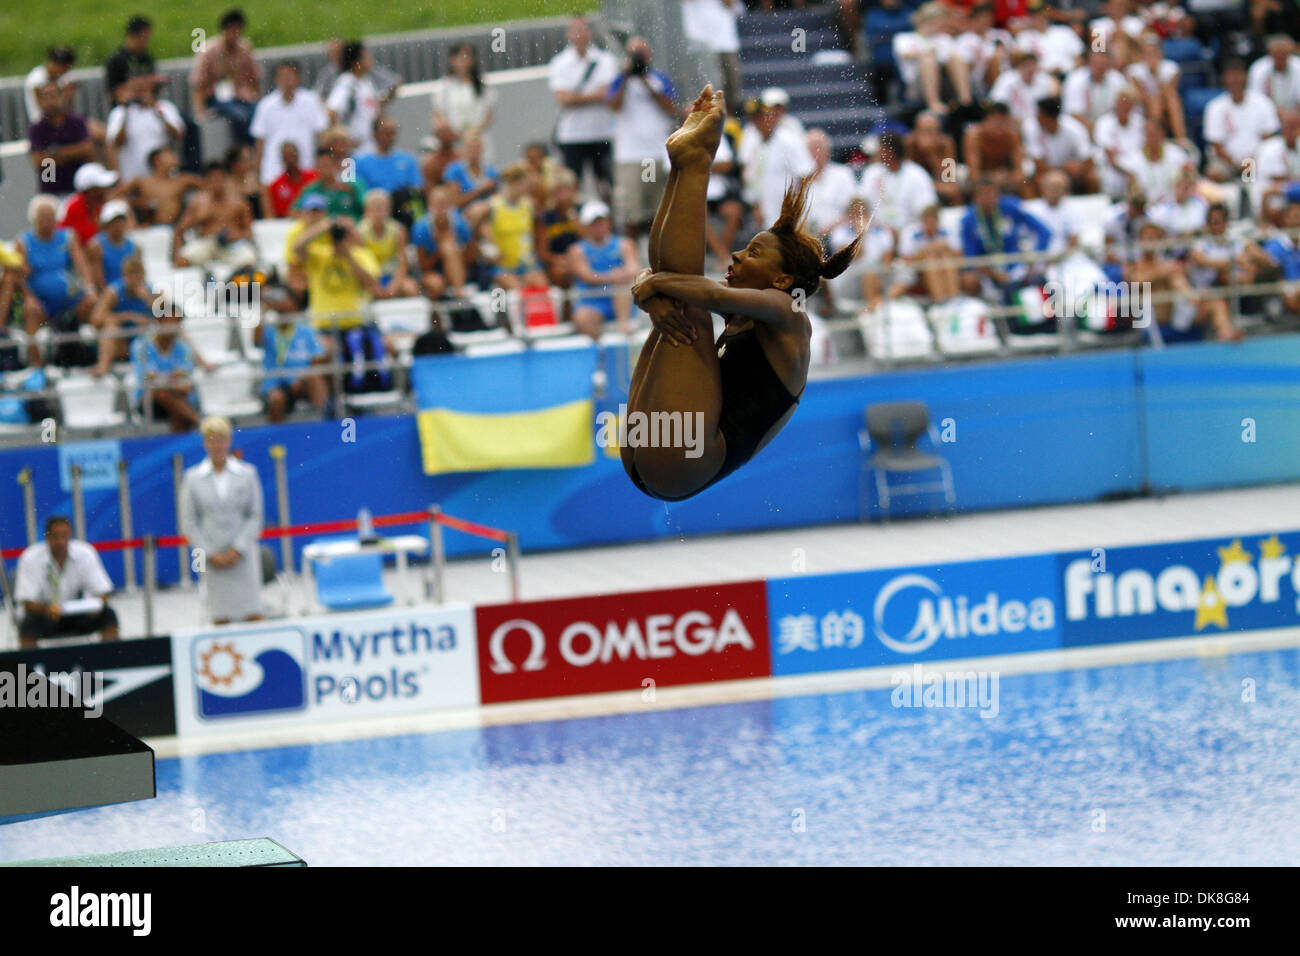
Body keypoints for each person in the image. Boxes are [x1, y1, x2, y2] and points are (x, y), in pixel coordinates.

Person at [625, 87, 861, 501]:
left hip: (684, 458)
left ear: (783, 280)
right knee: (678, 301)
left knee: (686, 303)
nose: (735, 253)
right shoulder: (751, 312)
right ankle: (686, 164)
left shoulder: (788, 312)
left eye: (753, 252)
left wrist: (652, 287)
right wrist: (651, 289)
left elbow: (702, 294)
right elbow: (678, 283)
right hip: (658, 453)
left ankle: (695, 162)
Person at [180, 416, 265, 625]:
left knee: (253, 613)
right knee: (219, 617)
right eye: (211, 440)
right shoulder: (192, 478)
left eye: (221, 439)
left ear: (229, 441)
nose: (216, 445)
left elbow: (255, 515)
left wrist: (238, 548)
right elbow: (189, 522)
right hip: (212, 558)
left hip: (243, 555)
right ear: (204, 443)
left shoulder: (247, 473)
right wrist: (209, 553)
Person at [15, 195, 97, 367]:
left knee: (93, 304)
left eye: (50, 217)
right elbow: (19, 276)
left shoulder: (67, 237)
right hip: (41, 303)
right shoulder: (24, 241)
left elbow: (82, 266)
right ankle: (38, 366)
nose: (46, 222)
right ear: (34, 219)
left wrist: (90, 290)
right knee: (30, 312)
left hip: (70, 300)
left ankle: (93, 359)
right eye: (42, 218)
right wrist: (29, 297)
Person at [14, 516, 118, 649]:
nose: (60, 541)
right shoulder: (30, 558)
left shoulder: (85, 553)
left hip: (78, 614)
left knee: (108, 614)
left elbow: (102, 591)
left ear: (71, 536)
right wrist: (47, 609)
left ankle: (111, 660)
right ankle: (27, 666)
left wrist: (95, 606)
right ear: (47, 537)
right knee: (28, 623)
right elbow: (27, 602)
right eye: (55, 536)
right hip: (45, 615)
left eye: (64, 536)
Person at [608, 37, 677, 237]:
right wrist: (626, 77)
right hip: (630, 156)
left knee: (656, 208)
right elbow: (613, 106)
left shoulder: (659, 79)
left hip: (652, 155)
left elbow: (670, 107)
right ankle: (632, 255)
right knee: (631, 212)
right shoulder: (620, 80)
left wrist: (645, 81)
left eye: (642, 53)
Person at [549, 17, 620, 198]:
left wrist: (577, 98)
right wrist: (595, 95)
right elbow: (563, 98)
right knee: (572, 185)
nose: (580, 34)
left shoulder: (606, 60)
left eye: (583, 29)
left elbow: (608, 93)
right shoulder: (560, 62)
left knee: (606, 184)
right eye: (575, 30)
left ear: (590, 33)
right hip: (572, 135)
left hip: (602, 132)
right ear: (569, 34)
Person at [738, 92, 815, 229]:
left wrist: (795, 207)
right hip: (768, 213)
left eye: (762, 117)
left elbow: (806, 173)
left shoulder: (789, 140)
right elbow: (751, 179)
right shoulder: (754, 145)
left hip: (791, 215)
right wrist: (756, 206)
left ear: (772, 117)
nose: (759, 123)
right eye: (754, 119)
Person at [250, 60, 328, 190]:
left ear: (298, 78)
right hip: (273, 171)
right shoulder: (266, 105)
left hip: (305, 167)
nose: (286, 80)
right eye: (282, 76)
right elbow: (259, 143)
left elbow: (322, 136)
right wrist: (257, 172)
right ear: (276, 79)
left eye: (289, 76)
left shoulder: (311, 101)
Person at [131, 306, 212, 430]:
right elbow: (151, 380)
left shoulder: (184, 348)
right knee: (161, 393)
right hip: (150, 402)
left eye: (177, 321)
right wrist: (173, 379)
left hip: (178, 397)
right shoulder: (141, 346)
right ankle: (200, 424)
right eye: (170, 320)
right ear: (159, 321)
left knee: (174, 405)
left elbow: (183, 384)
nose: (174, 325)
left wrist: (165, 380)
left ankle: (189, 434)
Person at [568, 200, 639, 337]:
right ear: (586, 226)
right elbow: (587, 276)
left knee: (622, 284)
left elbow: (634, 269)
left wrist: (619, 276)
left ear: (608, 222)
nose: (598, 226)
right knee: (582, 319)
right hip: (592, 301)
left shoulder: (624, 244)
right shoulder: (577, 250)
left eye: (601, 221)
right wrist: (613, 276)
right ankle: (601, 349)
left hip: (620, 299)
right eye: (593, 223)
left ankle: (623, 325)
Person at [1204, 58, 1281, 182]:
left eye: (1239, 76)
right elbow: (1216, 144)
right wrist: (1236, 164)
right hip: (1227, 162)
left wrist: (1251, 162)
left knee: (1273, 166)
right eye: (1231, 77)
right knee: (1214, 173)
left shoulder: (1263, 103)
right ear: (1225, 80)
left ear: (1246, 77)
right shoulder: (1215, 106)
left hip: (1258, 159)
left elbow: (1269, 137)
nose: (1235, 81)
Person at [189, 8, 260, 144]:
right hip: (215, 98)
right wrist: (200, 112)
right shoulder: (208, 51)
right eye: (232, 30)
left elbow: (255, 77)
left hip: (241, 96)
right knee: (240, 115)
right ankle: (245, 147)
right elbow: (198, 84)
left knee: (258, 111)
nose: (235, 34)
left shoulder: (245, 48)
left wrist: (254, 96)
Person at [171, 161, 256, 270]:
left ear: (226, 180)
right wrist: (176, 254)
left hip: (231, 245)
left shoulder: (239, 202)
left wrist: (236, 235)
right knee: (181, 262)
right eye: (212, 180)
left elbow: (249, 233)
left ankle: (239, 286)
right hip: (206, 243)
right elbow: (180, 229)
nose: (216, 183)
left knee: (250, 261)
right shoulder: (198, 202)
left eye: (220, 179)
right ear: (206, 181)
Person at [105, 75, 184, 183]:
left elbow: (178, 134)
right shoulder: (119, 113)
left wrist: (156, 111)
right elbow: (116, 143)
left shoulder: (165, 107)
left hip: (164, 179)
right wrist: (126, 113)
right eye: (137, 90)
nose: (141, 94)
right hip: (133, 178)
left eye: (144, 90)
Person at [91, 254, 162, 372]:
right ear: (125, 276)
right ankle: (103, 366)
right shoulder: (114, 292)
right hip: (123, 343)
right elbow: (96, 319)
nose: (136, 279)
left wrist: (149, 301)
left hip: (146, 340)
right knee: (110, 327)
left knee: (174, 330)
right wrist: (127, 317)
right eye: (132, 275)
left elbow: (170, 320)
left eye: (139, 274)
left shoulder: (154, 292)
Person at [261, 311, 331, 421]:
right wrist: (264, 307)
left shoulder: (305, 331)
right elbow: (255, 341)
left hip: (303, 382)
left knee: (315, 377)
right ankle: (275, 435)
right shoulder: (268, 332)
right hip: (278, 383)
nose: (283, 312)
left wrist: (300, 378)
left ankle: (323, 422)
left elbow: (317, 358)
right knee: (276, 399)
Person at [27, 83, 94, 197]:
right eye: (46, 96)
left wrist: (54, 153)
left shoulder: (76, 122)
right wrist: (73, 153)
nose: (50, 101)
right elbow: (38, 160)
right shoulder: (37, 128)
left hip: (78, 187)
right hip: (51, 189)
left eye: (53, 95)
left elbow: (88, 150)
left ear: (61, 96)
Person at [432, 43, 497, 156]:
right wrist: (458, 135)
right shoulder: (443, 87)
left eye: (467, 57)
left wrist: (473, 133)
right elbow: (439, 115)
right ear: (452, 60)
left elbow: (488, 115)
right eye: (460, 57)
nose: (463, 61)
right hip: (455, 142)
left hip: (479, 140)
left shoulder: (483, 85)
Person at [681, 0, 744, 115]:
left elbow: (729, 3)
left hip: (725, 40)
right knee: (707, 89)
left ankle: (729, 122)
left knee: (731, 88)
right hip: (699, 39)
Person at [355, 117, 422, 224]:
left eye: (393, 132)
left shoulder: (408, 160)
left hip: (401, 213)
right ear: (375, 134)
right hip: (372, 213)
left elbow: (416, 187)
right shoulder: (360, 161)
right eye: (386, 132)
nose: (391, 136)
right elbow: (357, 190)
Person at [326, 41, 385, 154]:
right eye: (366, 56)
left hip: (370, 147)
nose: (370, 59)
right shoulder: (347, 83)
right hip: (355, 151)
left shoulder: (366, 82)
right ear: (356, 62)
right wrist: (345, 139)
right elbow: (331, 112)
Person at [359, 189, 419, 298]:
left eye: (382, 208)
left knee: (411, 289)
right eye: (375, 208)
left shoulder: (398, 230)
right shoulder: (359, 232)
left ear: (389, 209)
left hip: (392, 275)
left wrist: (394, 286)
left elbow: (403, 262)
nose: (379, 212)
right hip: (370, 278)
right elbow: (361, 263)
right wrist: (374, 286)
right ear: (367, 210)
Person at [124, 146, 201, 226]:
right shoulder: (141, 181)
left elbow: (209, 186)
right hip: (148, 228)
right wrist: (136, 203)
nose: (175, 156)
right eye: (170, 154)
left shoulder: (183, 180)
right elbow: (114, 195)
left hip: (174, 228)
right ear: (157, 160)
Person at [292, 147, 366, 220]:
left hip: (353, 227)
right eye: (320, 166)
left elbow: (367, 206)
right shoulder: (312, 189)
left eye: (326, 165)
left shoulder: (352, 184)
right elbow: (294, 212)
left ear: (335, 165)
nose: (323, 170)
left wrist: (353, 193)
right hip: (323, 229)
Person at [105, 15, 162, 107]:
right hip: (125, 109)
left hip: (148, 107)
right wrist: (139, 85)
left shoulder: (147, 58)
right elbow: (113, 93)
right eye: (144, 38)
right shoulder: (115, 61)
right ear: (132, 36)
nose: (146, 42)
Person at [87, 199, 138, 289]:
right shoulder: (96, 246)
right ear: (107, 224)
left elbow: (137, 276)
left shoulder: (134, 246)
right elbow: (98, 282)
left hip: (129, 292)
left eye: (121, 221)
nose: (118, 225)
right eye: (114, 222)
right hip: (109, 293)